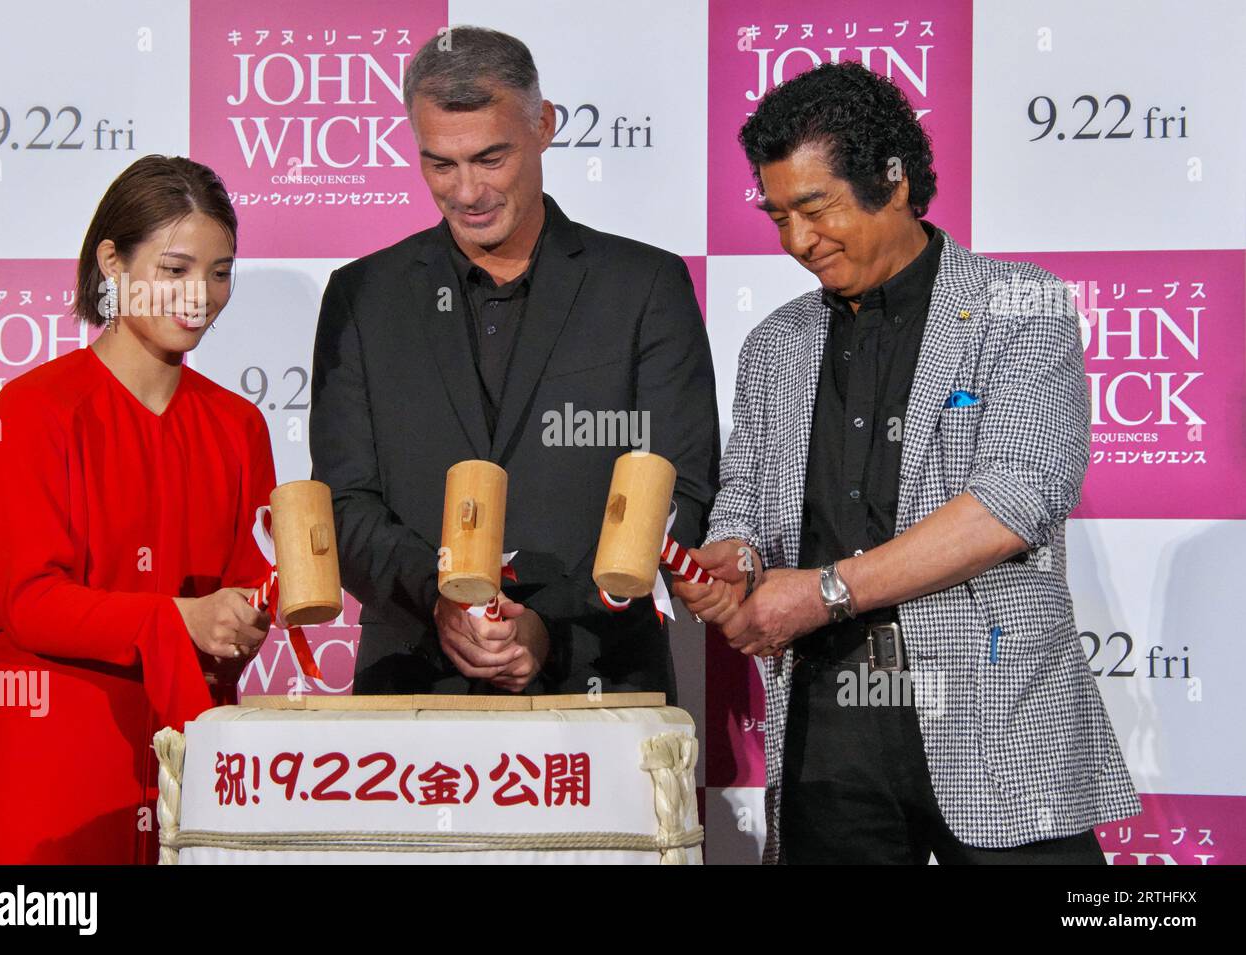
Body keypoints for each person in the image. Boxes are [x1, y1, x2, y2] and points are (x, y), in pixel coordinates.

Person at [675, 62, 1140, 863]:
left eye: (814, 208)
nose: (796, 241)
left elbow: (1014, 501)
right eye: (777, 215)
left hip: (997, 716)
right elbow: (746, 500)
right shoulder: (775, 345)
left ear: (892, 182)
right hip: (828, 729)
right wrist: (736, 557)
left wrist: (824, 591)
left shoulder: (1019, 306)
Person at [310, 27, 718, 698]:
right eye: (441, 164)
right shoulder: (363, 296)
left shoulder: (644, 286)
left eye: (491, 157)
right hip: (414, 689)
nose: (468, 191)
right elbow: (346, 502)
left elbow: (682, 490)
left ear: (545, 125)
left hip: (603, 681)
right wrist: (447, 602)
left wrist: (548, 625)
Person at [0, 155, 277, 864]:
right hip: (55, 769)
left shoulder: (239, 425)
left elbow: (252, 582)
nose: (200, 295)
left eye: (220, 271)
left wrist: (249, 615)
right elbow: (31, 600)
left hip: (197, 770)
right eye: (175, 270)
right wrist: (177, 618)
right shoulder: (33, 414)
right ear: (113, 262)